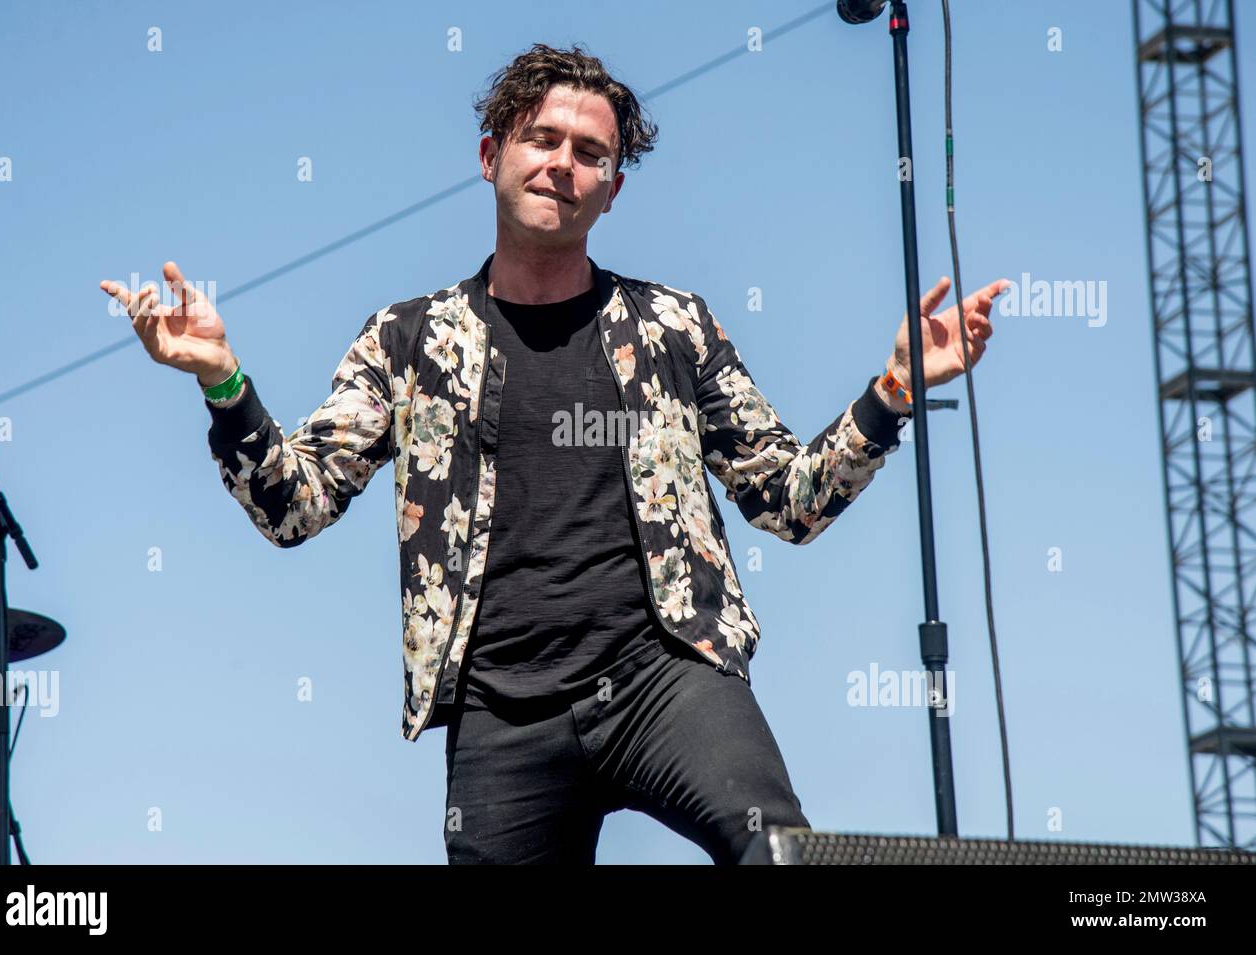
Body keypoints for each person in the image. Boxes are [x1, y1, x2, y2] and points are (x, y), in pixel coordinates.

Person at [99, 43, 1006, 865]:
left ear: (613, 188)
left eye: (590, 153)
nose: (562, 165)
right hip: (501, 712)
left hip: (667, 675)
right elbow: (293, 507)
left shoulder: (671, 327)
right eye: (542, 140)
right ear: (491, 155)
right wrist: (222, 382)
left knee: (778, 851)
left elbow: (789, 501)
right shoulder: (409, 339)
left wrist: (891, 391)